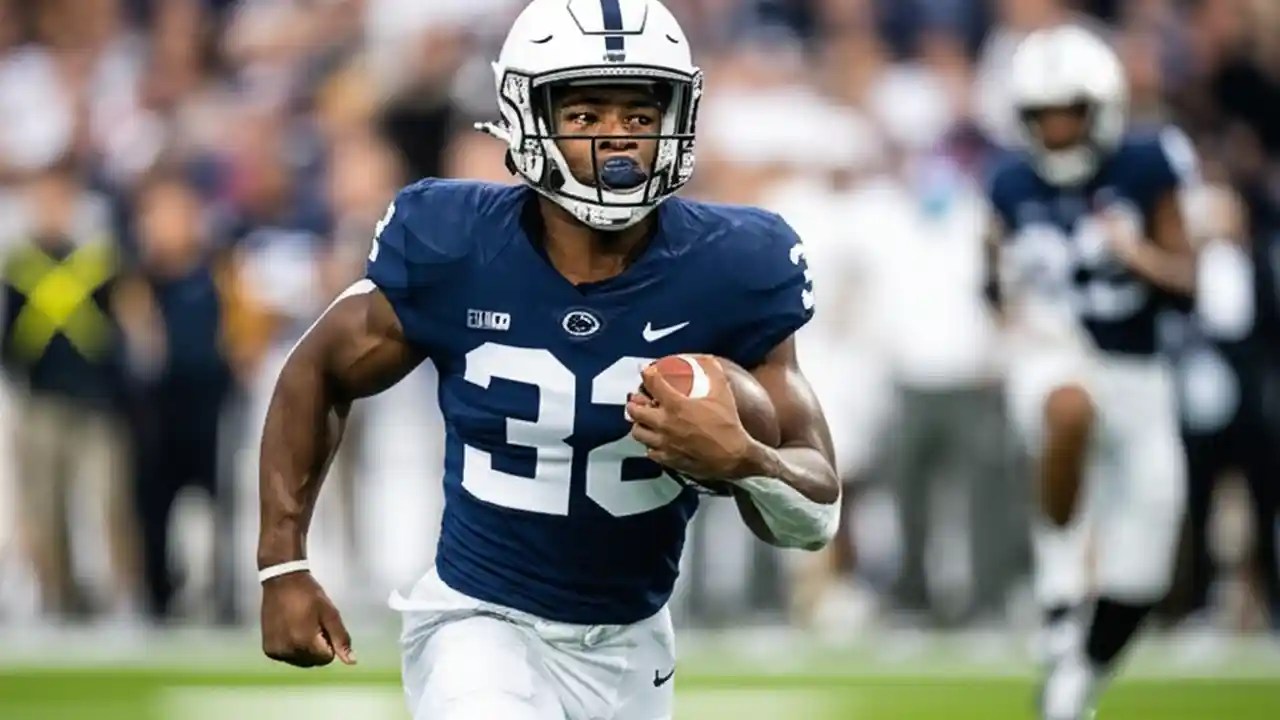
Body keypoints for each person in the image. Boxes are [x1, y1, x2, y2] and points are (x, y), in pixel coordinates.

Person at [255, 2, 841, 720]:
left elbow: (816, 514)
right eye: (586, 115)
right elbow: (315, 371)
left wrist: (748, 460)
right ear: (525, 114)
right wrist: (283, 563)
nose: (616, 142)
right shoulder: (453, 241)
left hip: (633, 645)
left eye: (637, 114)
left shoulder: (736, 265)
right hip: (479, 623)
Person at [984, 25, 1198, 720]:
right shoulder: (1009, 182)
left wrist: (1136, 255)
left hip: (1139, 371)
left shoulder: (1146, 163)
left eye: (1068, 111)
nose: (1055, 129)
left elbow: (1186, 278)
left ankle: (1077, 679)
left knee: (1144, 570)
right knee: (1067, 410)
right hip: (1057, 353)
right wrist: (1005, 310)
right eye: (1041, 115)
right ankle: (1056, 591)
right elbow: (989, 275)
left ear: (1101, 107)